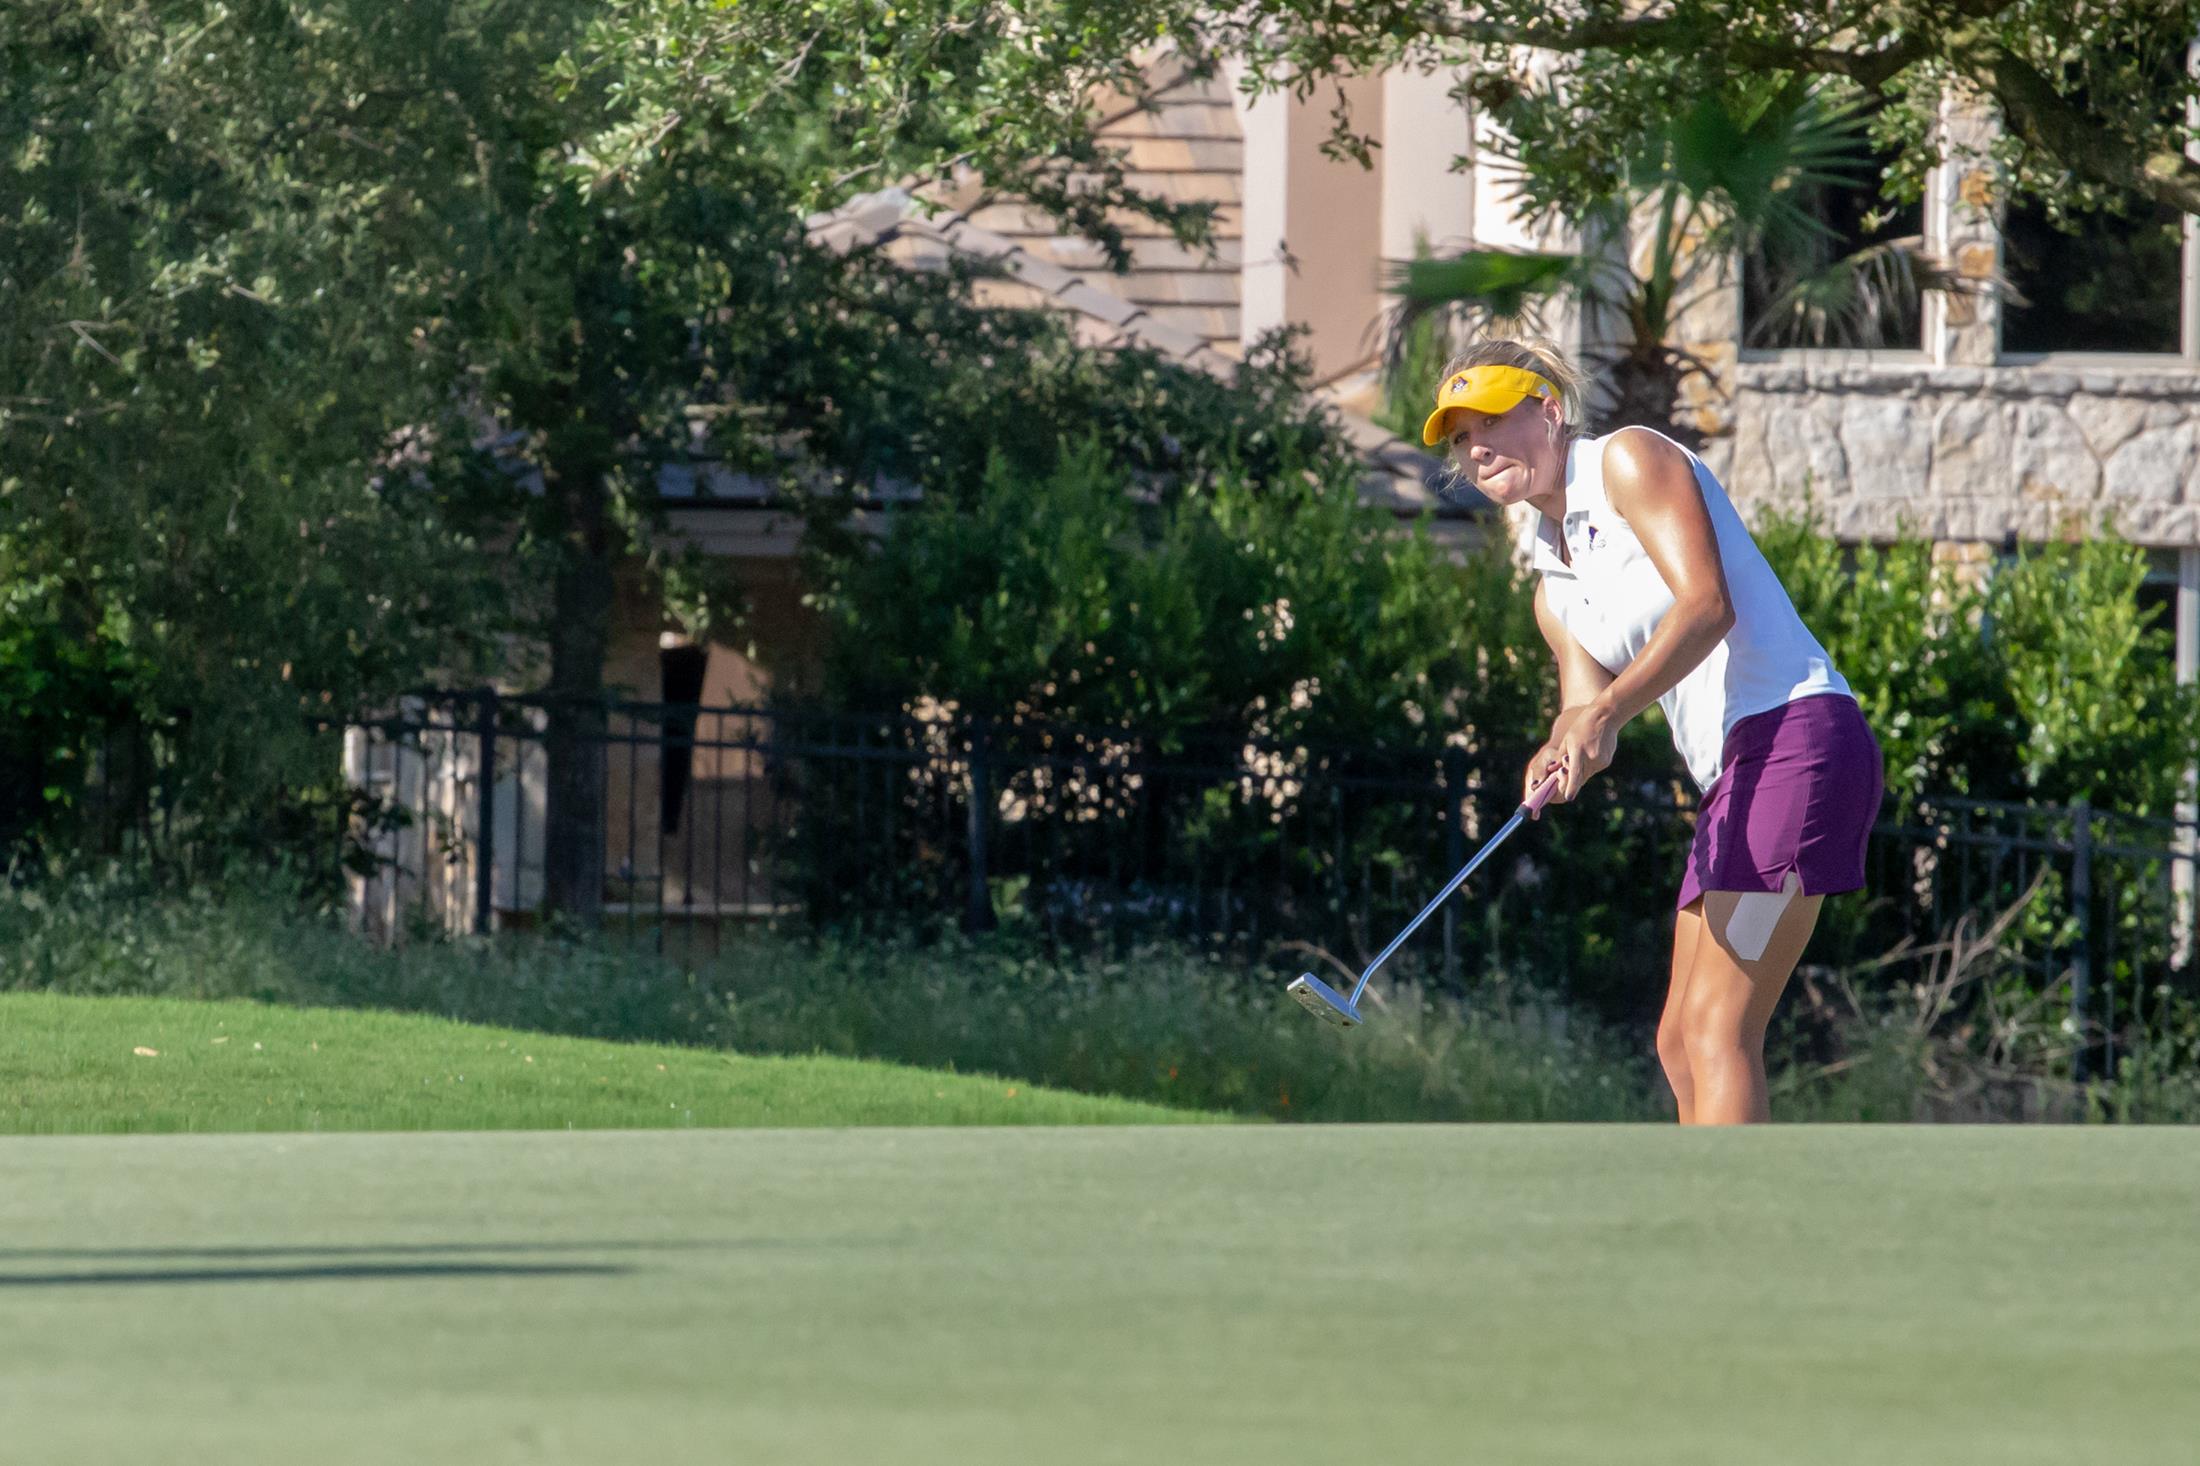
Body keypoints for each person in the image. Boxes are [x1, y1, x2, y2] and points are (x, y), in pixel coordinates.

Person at [1422, 337, 1883, 1126]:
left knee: (1717, 1028)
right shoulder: (1552, 589)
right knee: (1677, 1040)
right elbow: (1587, 724)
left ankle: (1724, 1244)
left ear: (1549, 410)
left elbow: (1707, 606)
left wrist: (1603, 711)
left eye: (1492, 419)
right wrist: (1566, 749)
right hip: (1737, 775)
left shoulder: (1626, 461)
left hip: (1797, 738)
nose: (1478, 447)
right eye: (1461, 438)